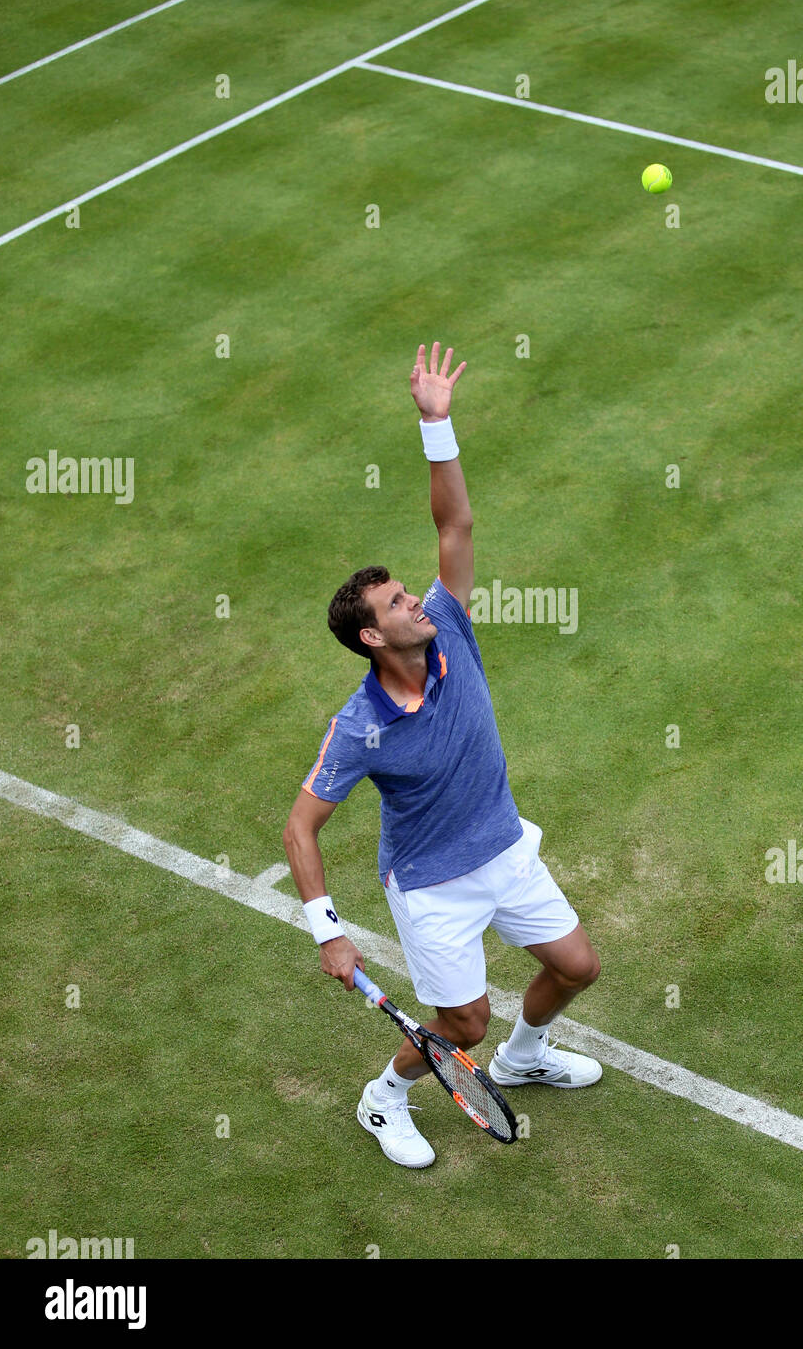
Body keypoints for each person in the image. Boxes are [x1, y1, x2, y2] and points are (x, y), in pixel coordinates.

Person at [282, 342, 601, 1168]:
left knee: (575, 966)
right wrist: (327, 932)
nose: (414, 603)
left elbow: (454, 523)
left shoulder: (448, 624)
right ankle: (383, 1099)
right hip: (431, 887)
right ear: (370, 636)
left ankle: (523, 1060)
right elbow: (299, 829)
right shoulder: (358, 727)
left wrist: (437, 423)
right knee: (462, 1024)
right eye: (395, 604)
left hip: (501, 846)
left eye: (407, 594)